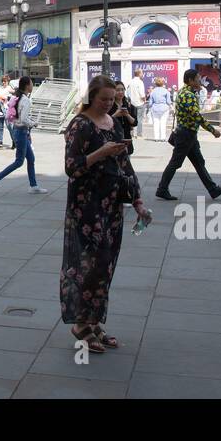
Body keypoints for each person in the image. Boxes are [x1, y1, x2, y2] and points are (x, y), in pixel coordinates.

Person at [61, 75, 151, 353]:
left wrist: (137, 202)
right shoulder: (80, 125)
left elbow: (126, 166)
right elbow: (72, 167)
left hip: (112, 207)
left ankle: (95, 321)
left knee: (105, 266)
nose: (109, 104)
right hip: (86, 207)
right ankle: (80, 323)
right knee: (86, 266)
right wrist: (100, 153)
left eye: (113, 99)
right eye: (104, 99)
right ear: (91, 97)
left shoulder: (113, 123)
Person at [155, 69, 221, 200]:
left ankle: (213, 189)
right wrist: (213, 130)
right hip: (186, 135)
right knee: (175, 163)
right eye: (197, 79)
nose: (200, 81)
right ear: (190, 80)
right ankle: (162, 189)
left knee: (198, 162)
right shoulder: (188, 95)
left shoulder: (186, 93)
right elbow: (196, 116)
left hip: (188, 134)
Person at [0, 76, 48, 194]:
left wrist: (29, 121)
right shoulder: (25, 100)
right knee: (19, 162)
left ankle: (33, 185)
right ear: (27, 86)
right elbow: (24, 119)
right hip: (21, 132)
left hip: (19, 131)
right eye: (31, 83)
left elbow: (19, 116)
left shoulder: (17, 97)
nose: (32, 86)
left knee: (31, 159)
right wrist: (34, 123)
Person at [148, 76, 173, 143]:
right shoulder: (166, 91)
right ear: (163, 83)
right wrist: (171, 107)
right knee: (163, 123)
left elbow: (150, 102)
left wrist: (150, 107)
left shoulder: (153, 91)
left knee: (156, 123)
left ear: (155, 83)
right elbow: (168, 101)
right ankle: (163, 137)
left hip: (155, 108)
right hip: (164, 108)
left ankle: (156, 137)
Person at [126, 70, 147, 140]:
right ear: (140, 74)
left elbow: (127, 92)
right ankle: (139, 135)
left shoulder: (130, 82)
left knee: (131, 118)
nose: (143, 74)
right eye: (142, 73)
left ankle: (131, 134)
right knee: (139, 119)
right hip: (139, 103)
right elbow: (142, 94)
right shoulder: (140, 82)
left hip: (132, 103)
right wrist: (144, 100)